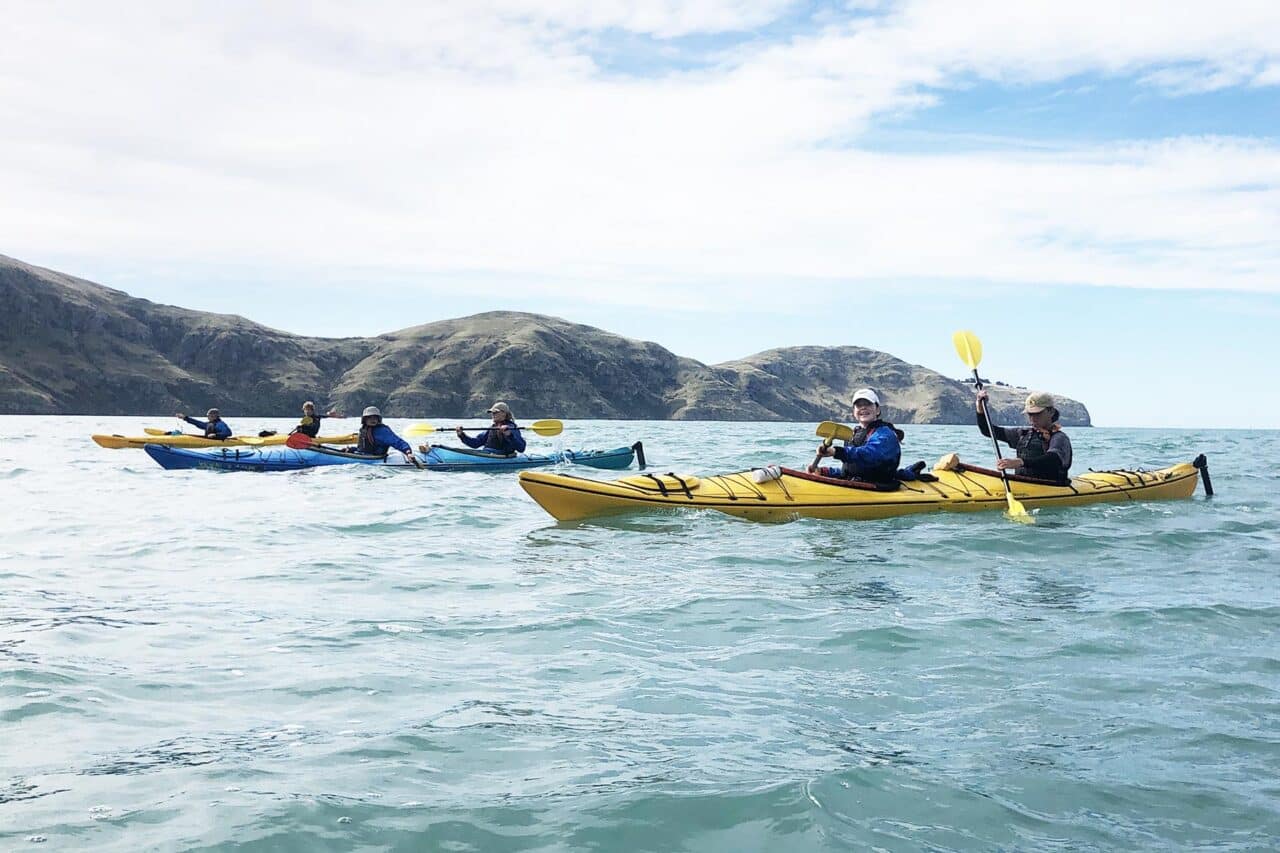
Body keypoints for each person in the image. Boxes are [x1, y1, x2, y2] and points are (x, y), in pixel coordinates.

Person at [975, 389, 1072, 482]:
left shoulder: (1060, 438)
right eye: (1030, 414)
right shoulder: (1022, 434)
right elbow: (988, 430)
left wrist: (1021, 462)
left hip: (1052, 486)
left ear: (1051, 412)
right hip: (1023, 485)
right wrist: (980, 407)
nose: (1032, 419)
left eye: (1037, 413)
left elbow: (1053, 459)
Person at [810, 388, 903, 484]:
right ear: (854, 412)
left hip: (879, 487)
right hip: (858, 485)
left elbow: (870, 455)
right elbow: (851, 470)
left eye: (868, 404)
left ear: (878, 410)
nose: (863, 407)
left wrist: (836, 451)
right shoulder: (854, 434)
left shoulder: (885, 434)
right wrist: (824, 471)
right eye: (859, 405)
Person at [454, 401, 526, 455]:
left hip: (501, 456)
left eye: (495, 412)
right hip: (488, 453)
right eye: (492, 413)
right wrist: (462, 435)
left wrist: (509, 435)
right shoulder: (492, 428)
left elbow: (521, 448)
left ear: (504, 413)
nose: (493, 414)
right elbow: (476, 443)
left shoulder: (511, 427)